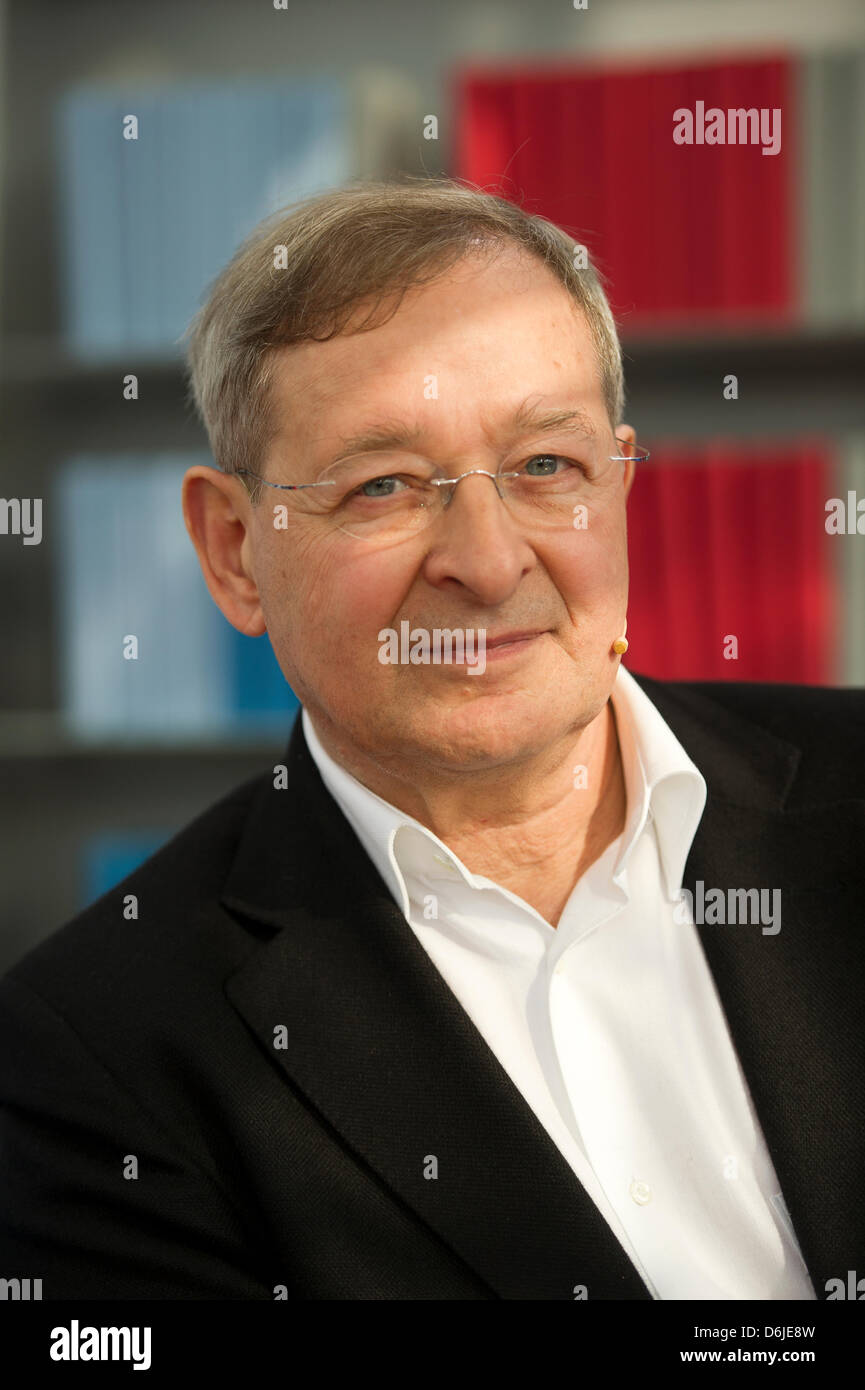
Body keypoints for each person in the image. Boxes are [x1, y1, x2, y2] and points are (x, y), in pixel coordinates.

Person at [1, 178, 862, 1301]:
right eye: (385, 487)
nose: (488, 559)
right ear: (231, 550)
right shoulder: (91, 1054)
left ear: (618, 483)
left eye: (546, 466)